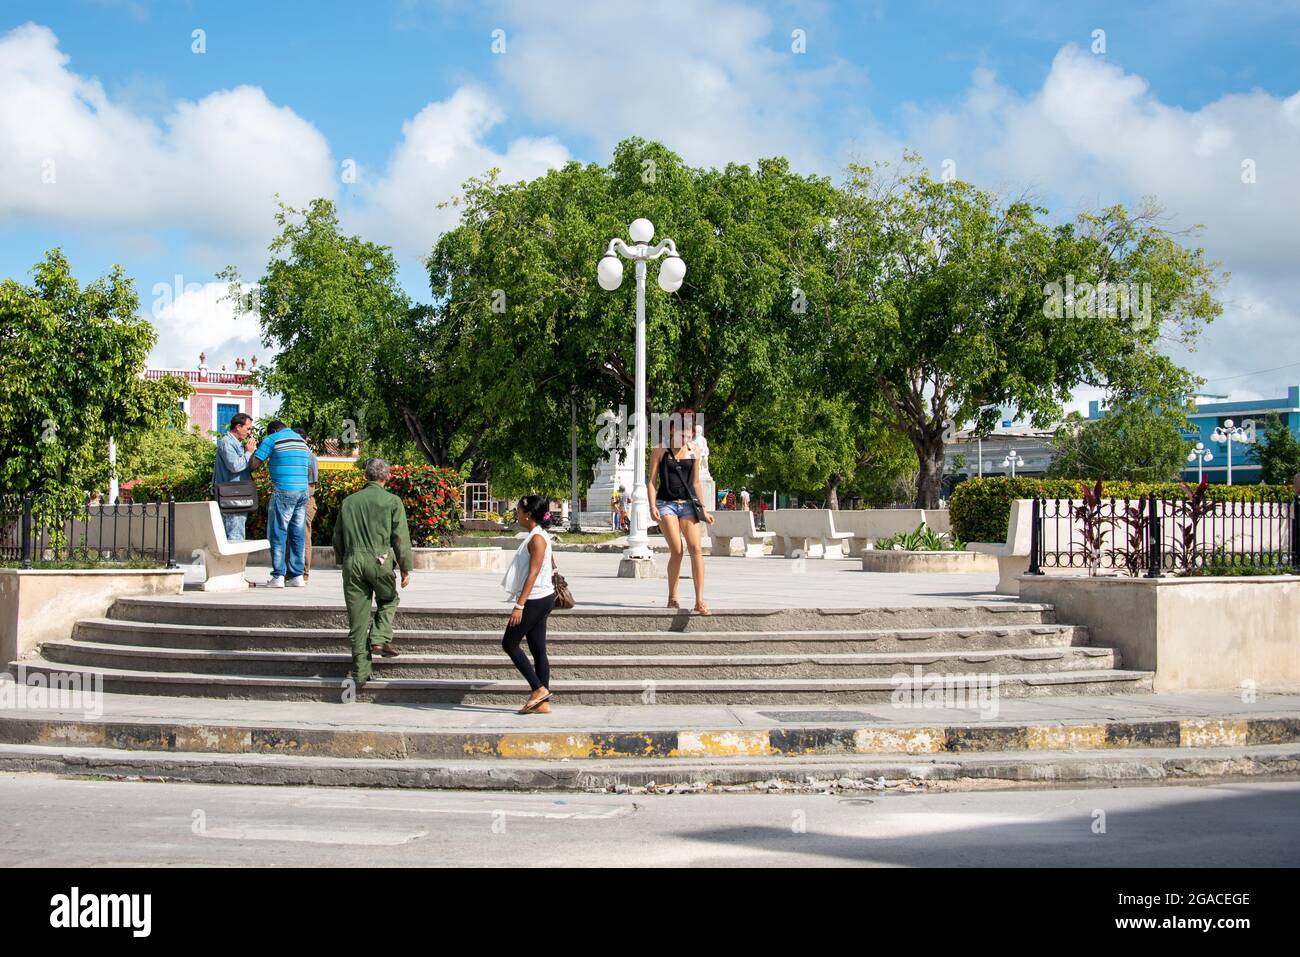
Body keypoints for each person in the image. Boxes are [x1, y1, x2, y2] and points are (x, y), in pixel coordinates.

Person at [331, 458, 412, 687]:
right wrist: (405, 567)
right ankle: (378, 638)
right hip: (380, 561)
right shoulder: (392, 501)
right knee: (389, 598)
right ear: (387, 477)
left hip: (353, 561)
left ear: (366, 476)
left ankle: (360, 673)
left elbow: (337, 537)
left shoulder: (349, 502)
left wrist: (343, 559)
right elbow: (400, 538)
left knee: (357, 621)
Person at [648, 407, 716, 615]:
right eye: (681, 434)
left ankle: (700, 600)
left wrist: (703, 510)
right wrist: (652, 507)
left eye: (688, 435)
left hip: (687, 504)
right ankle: (672, 597)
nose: (684, 438)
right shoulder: (660, 450)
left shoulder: (693, 451)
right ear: (672, 430)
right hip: (666, 503)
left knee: (696, 548)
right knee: (677, 550)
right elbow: (651, 482)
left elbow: (695, 483)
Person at [501, 494, 557, 714]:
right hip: (542, 597)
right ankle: (543, 704)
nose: (516, 514)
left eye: (518, 511)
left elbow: (533, 573)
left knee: (509, 643)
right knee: (538, 649)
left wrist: (520, 605)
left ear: (528, 515)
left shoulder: (537, 538)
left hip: (535, 599)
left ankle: (539, 689)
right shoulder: (539, 535)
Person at [250, 419, 312, 587]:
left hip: (284, 490)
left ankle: (278, 576)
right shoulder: (301, 441)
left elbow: (254, 465)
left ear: (274, 430)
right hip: (302, 492)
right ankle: (297, 576)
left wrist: (250, 451)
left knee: (278, 533)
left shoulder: (273, 438)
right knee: (297, 533)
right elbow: (308, 469)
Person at [212, 412, 257, 542]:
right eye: (247, 428)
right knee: (235, 536)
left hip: (237, 494)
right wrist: (248, 452)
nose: (249, 432)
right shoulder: (227, 443)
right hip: (232, 496)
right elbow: (235, 466)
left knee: (236, 532)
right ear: (238, 427)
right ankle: (233, 562)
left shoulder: (236, 443)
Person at [295, 428, 320, 581]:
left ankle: (304, 573)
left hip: (305, 500)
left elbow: (311, 486)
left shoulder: (310, 457)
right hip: (293, 500)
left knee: (304, 536)